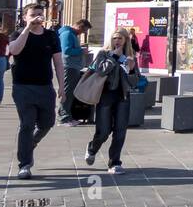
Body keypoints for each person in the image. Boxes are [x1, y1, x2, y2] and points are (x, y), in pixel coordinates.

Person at [7, 2, 65, 179]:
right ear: (25, 17)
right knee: (27, 124)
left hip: (45, 87)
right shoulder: (17, 34)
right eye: (33, 15)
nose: (37, 18)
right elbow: (14, 50)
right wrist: (27, 29)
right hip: (22, 87)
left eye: (40, 14)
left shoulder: (51, 36)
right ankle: (24, 164)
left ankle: (30, 143)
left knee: (47, 123)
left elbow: (58, 62)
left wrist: (62, 85)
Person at [84, 28, 141, 174]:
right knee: (103, 131)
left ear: (126, 40)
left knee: (120, 131)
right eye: (115, 38)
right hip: (105, 96)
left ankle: (114, 162)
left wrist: (132, 69)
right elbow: (101, 70)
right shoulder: (103, 53)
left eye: (120, 38)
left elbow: (134, 82)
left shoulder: (130, 56)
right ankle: (92, 148)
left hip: (123, 97)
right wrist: (113, 58)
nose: (117, 41)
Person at [57, 19, 90, 126]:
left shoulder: (71, 34)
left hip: (73, 66)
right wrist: (81, 51)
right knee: (67, 91)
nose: (83, 33)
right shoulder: (67, 34)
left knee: (70, 91)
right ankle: (63, 117)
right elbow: (66, 50)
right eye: (84, 30)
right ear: (79, 26)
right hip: (69, 66)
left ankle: (67, 115)